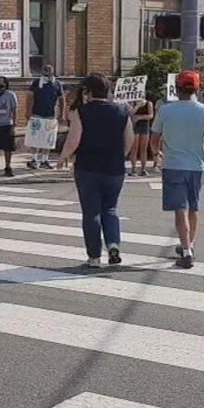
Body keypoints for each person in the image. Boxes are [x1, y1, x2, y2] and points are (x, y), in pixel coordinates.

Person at [58, 74, 134, 269]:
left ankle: (94, 257)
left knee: (91, 212)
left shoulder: (81, 112)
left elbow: (75, 138)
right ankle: (114, 245)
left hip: (88, 167)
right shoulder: (122, 111)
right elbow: (129, 139)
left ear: (88, 92)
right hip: (114, 168)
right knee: (110, 209)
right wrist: (120, 155)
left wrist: (64, 156)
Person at [151, 71, 204, 270]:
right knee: (193, 207)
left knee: (179, 210)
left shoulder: (165, 111)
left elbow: (154, 139)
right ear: (197, 89)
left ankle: (186, 250)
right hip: (197, 165)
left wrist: (158, 153)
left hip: (173, 164)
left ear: (177, 88)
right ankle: (189, 245)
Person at [27, 64, 64, 169]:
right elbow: (30, 97)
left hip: (50, 115)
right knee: (35, 137)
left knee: (48, 139)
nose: (47, 72)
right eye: (45, 70)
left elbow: (61, 99)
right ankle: (34, 159)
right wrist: (28, 111)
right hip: (36, 114)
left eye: (49, 70)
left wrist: (61, 114)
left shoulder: (57, 84)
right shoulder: (36, 82)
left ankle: (44, 160)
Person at [130, 95, 154, 177]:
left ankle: (143, 169)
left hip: (144, 125)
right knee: (134, 148)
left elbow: (151, 115)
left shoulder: (148, 103)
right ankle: (133, 168)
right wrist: (137, 106)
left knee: (143, 148)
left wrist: (140, 117)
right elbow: (131, 113)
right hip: (135, 126)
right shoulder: (132, 102)